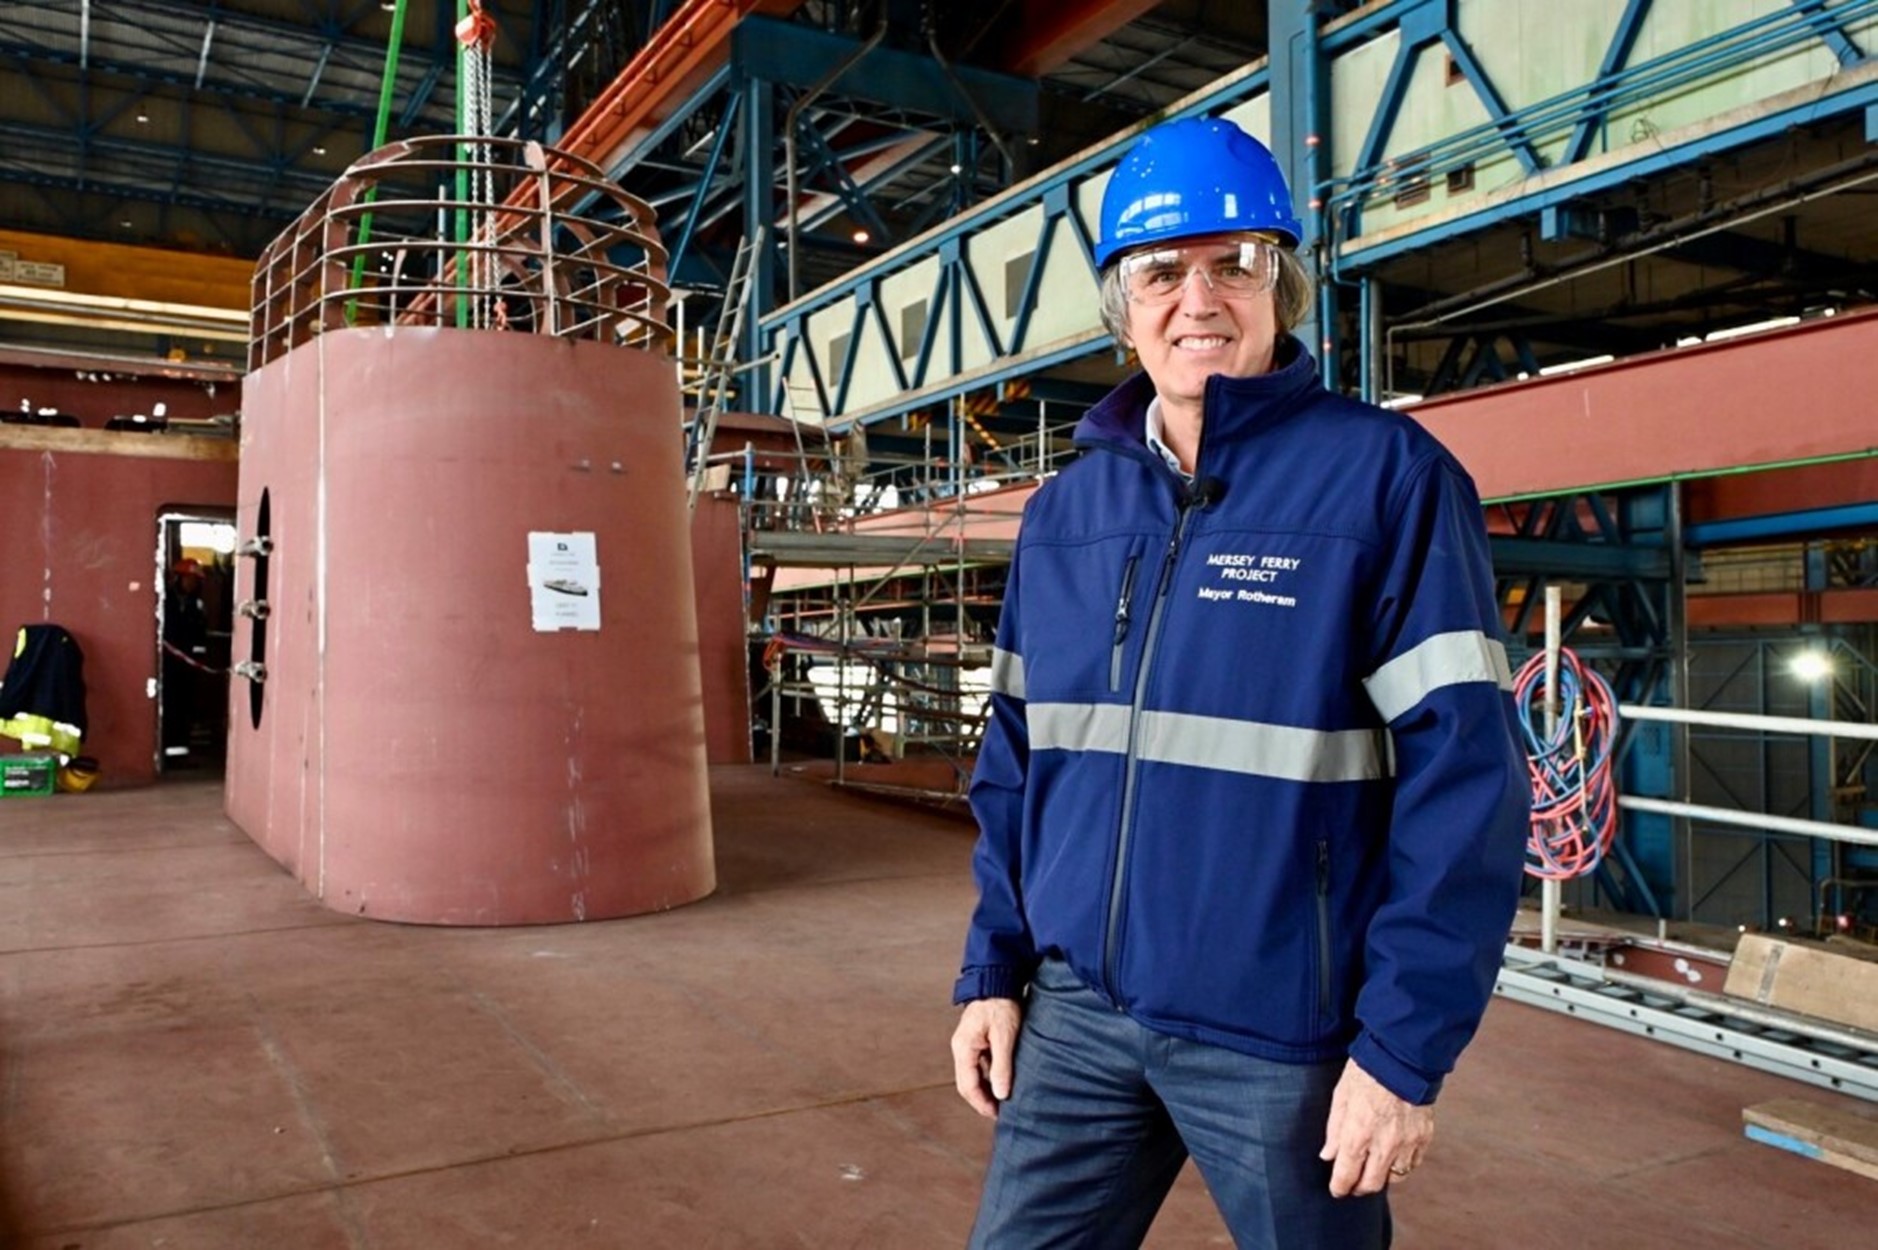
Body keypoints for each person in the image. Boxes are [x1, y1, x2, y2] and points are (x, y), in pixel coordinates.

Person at [949, 116, 1530, 1249]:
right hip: (1077, 1018)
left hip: (1281, 1037)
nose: (1198, 300)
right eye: (1162, 272)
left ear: (1285, 285)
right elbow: (1015, 762)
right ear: (1123, 302)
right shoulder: (1066, 515)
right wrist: (992, 966)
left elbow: (1466, 788)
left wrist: (1402, 1051)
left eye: (1237, 264)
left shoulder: (1386, 483)